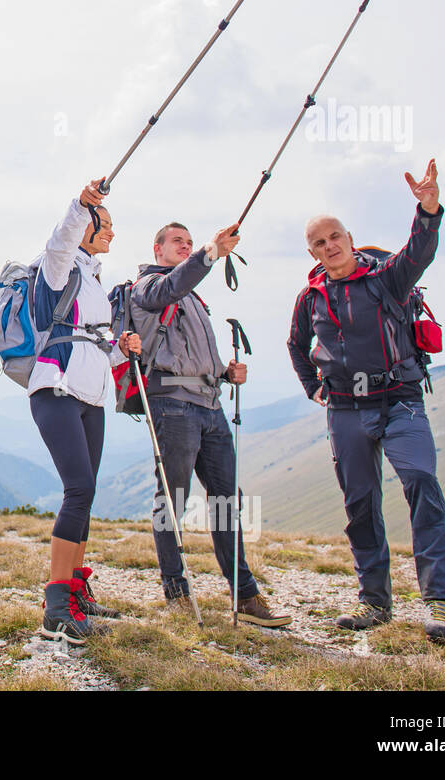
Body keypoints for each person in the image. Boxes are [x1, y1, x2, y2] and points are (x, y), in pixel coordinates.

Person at [288, 159, 445, 641]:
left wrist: (428, 211)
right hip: (344, 409)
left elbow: (418, 253)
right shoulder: (311, 297)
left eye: (335, 237)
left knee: (421, 483)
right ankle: (374, 602)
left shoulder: (387, 277)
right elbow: (295, 344)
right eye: (319, 243)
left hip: (400, 400)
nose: (330, 247)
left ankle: (443, 603)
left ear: (349, 237)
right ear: (312, 251)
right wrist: (313, 386)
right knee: (360, 504)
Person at [127, 220, 291, 627]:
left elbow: (192, 353)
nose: (184, 246)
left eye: (187, 241)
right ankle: (177, 594)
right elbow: (170, 288)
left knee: (225, 501)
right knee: (173, 500)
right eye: (176, 242)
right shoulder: (147, 288)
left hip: (210, 405)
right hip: (173, 406)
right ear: (157, 247)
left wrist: (223, 373)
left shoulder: (194, 299)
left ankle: (246, 596)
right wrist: (209, 252)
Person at [30, 178, 142, 646]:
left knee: (87, 492)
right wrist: (81, 205)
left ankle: (76, 587)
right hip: (55, 389)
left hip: (91, 395)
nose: (112, 233)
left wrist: (121, 349)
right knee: (78, 489)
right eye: (106, 226)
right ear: (86, 229)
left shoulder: (92, 278)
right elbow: (60, 239)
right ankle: (57, 605)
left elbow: (92, 345)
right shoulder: (59, 266)